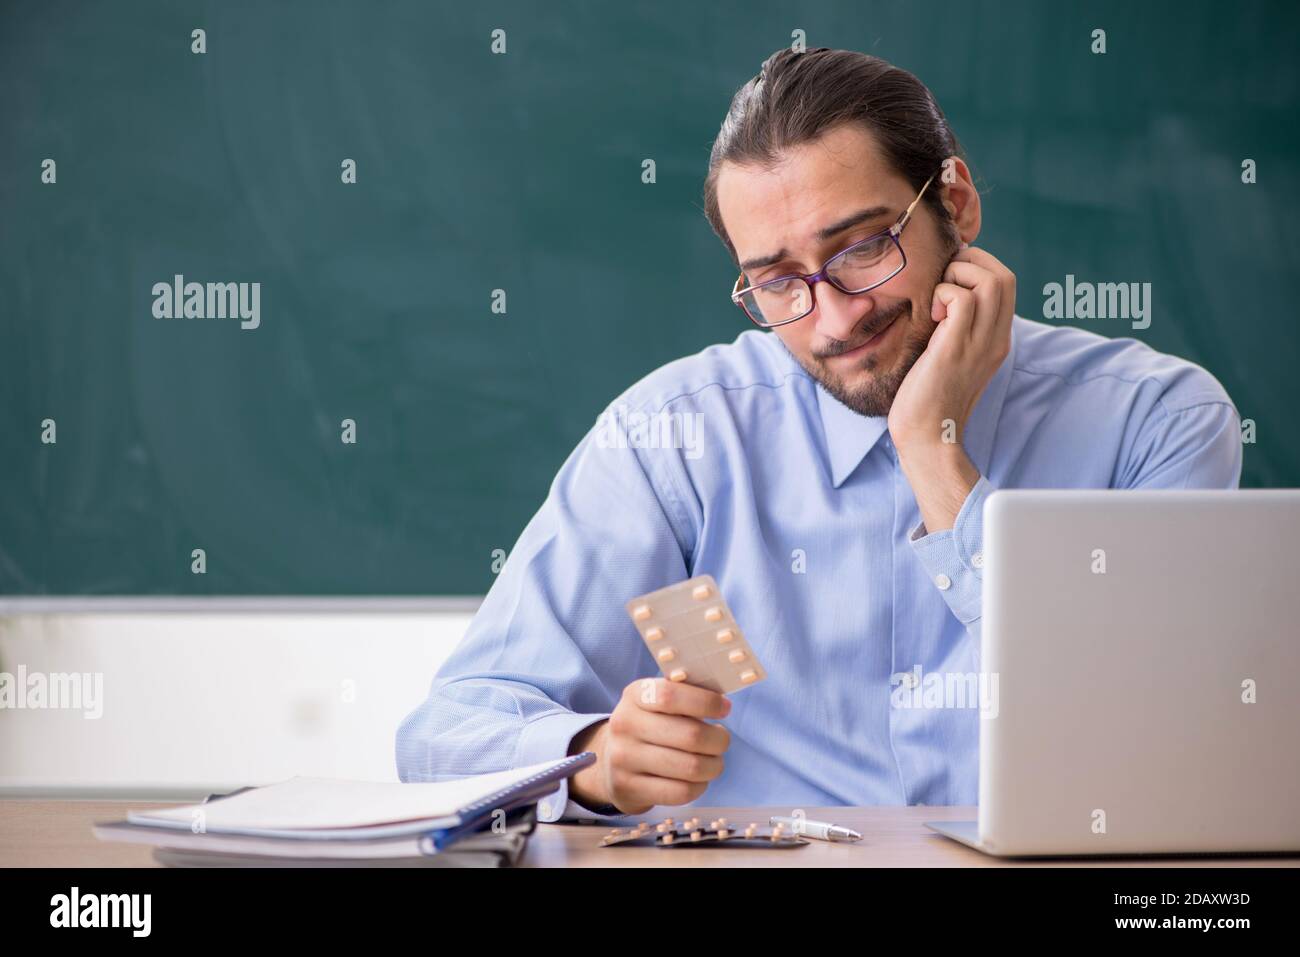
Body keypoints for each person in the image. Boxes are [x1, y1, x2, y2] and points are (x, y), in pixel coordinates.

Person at [396, 47, 1240, 820]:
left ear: (956, 201)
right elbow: (447, 734)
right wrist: (588, 761)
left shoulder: (1155, 423)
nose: (834, 317)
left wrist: (932, 449)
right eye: (777, 281)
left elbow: (1151, 747)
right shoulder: (673, 440)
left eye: (864, 247)